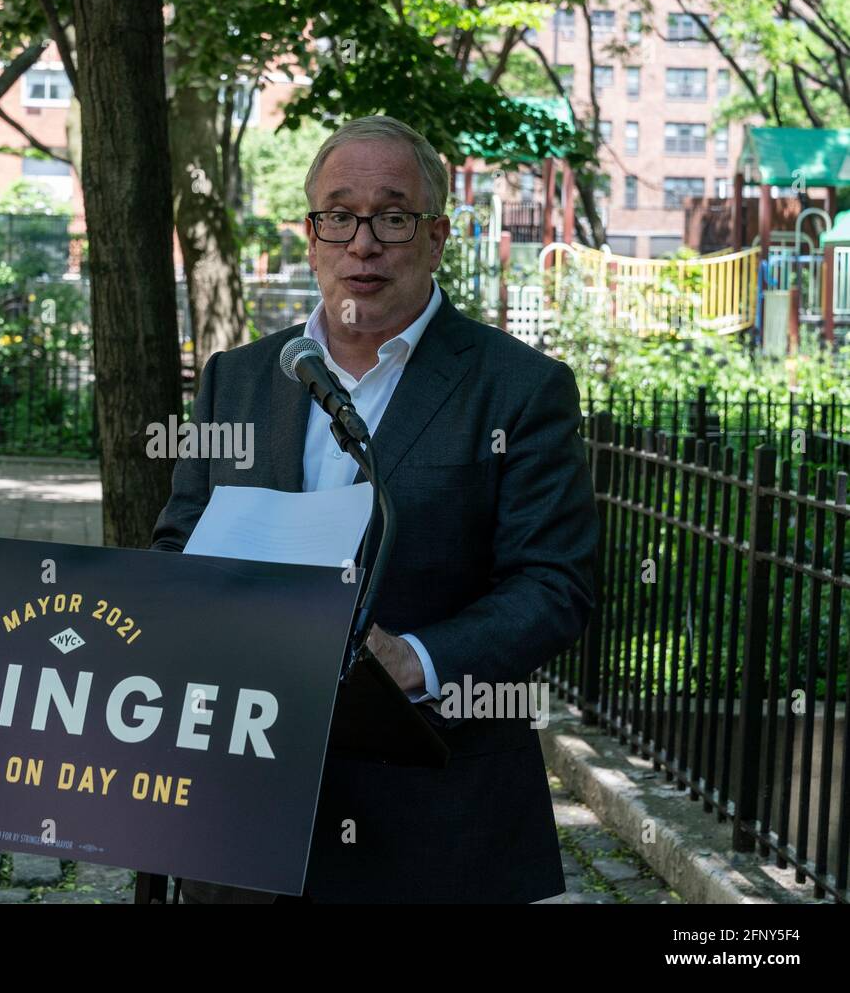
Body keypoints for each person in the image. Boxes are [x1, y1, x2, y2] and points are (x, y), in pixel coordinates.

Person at [151, 116, 600, 903]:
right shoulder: (241, 378)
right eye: (339, 215)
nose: (363, 243)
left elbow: (554, 584)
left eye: (392, 217)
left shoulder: (520, 387)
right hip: (245, 811)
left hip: (439, 819)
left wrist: (415, 661)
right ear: (312, 232)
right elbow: (179, 542)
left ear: (435, 236)